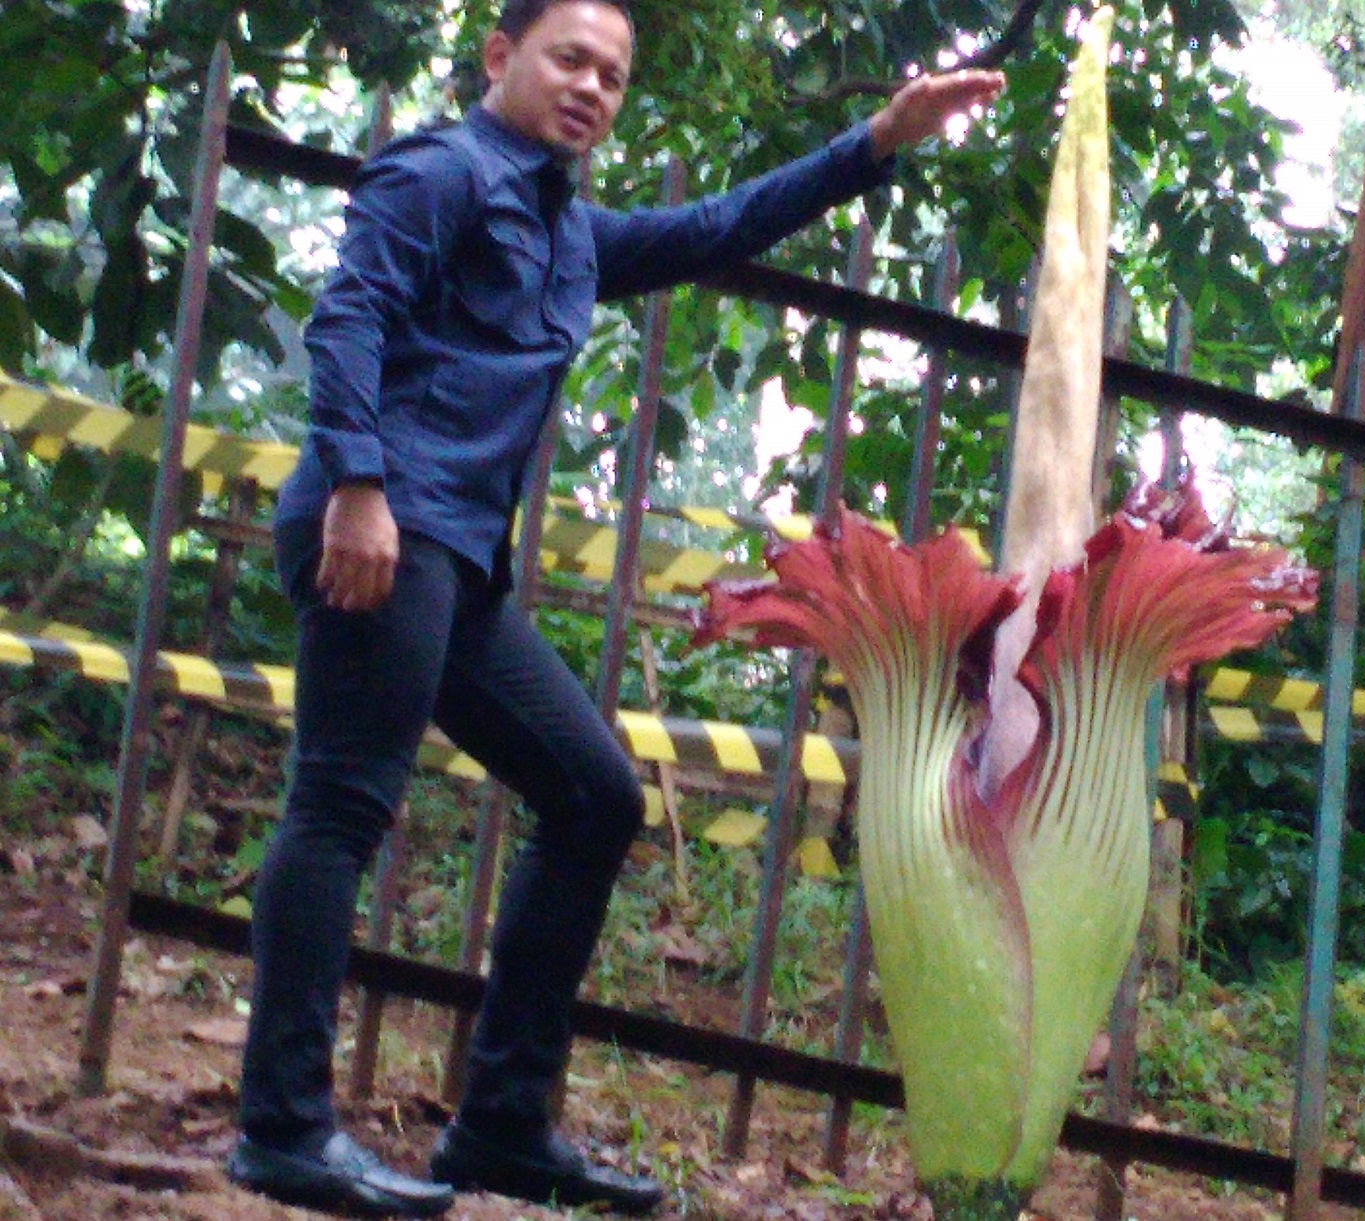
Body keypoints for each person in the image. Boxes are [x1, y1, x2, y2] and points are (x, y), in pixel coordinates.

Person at [222, 0, 1004, 1216]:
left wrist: (878, 139)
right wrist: (359, 486)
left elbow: (718, 225)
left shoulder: (570, 232)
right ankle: (282, 1129)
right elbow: (348, 320)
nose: (591, 86)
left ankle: (498, 1130)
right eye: (567, 59)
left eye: (613, 75)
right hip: (380, 525)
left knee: (593, 795)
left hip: (457, 560)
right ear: (500, 58)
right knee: (338, 804)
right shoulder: (438, 170)